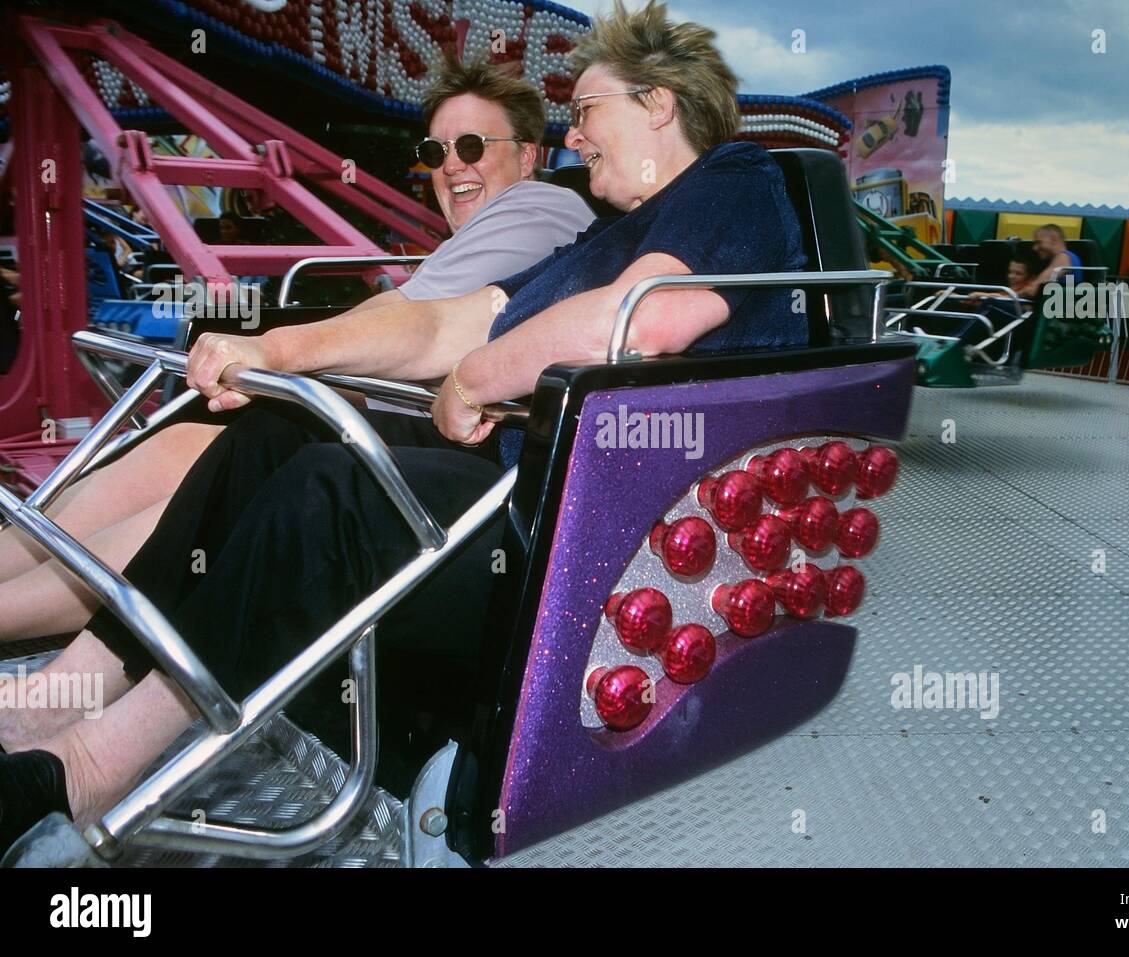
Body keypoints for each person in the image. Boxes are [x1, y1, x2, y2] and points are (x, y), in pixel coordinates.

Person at [0, 0, 810, 854]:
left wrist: (478, 376)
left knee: (335, 492)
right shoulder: (598, 240)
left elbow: (644, 320)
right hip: (536, 499)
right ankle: (54, 699)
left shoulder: (734, 181)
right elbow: (434, 324)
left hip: (595, 549)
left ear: (658, 103)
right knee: (269, 437)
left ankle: (91, 767)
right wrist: (277, 348)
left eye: (588, 110)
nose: (575, 137)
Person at [0, 59, 594, 645]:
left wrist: (276, 350)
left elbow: (416, 321)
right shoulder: (499, 228)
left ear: (528, 155)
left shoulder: (541, 210)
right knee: (202, 445)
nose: (452, 166)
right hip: (427, 427)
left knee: (216, 457)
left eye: (472, 145)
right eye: (436, 153)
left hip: (462, 453)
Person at [1021, 224, 1083, 296]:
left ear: (1054, 239)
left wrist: (1012, 295)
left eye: (1039, 242)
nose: (1035, 248)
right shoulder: (1069, 257)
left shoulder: (1063, 257)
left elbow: (1035, 290)